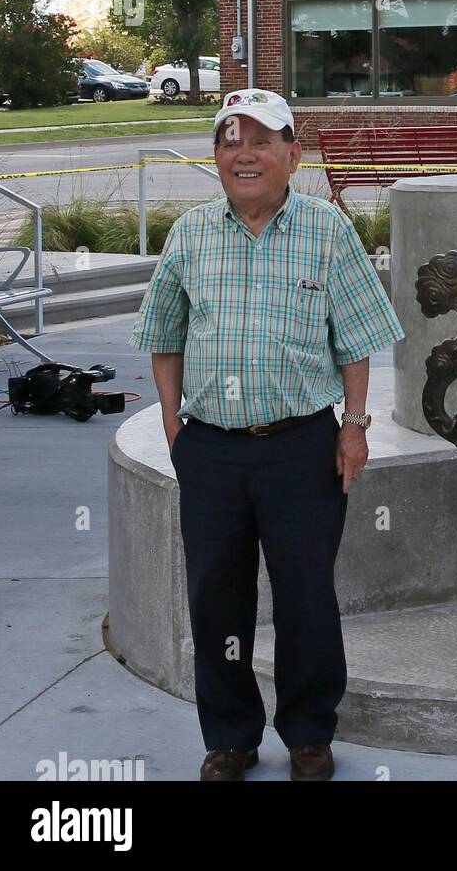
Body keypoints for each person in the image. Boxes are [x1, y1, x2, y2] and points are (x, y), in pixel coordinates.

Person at [129, 88, 404, 781]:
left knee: (306, 593)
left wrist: (356, 427)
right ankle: (230, 736)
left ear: (292, 155)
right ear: (217, 156)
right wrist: (173, 423)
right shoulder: (191, 233)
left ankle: (309, 733)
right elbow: (163, 334)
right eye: (229, 140)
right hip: (212, 449)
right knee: (216, 597)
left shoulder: (327, 230)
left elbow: (357, 340)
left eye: (260, 140)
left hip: (303, 446)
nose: (243, 153)